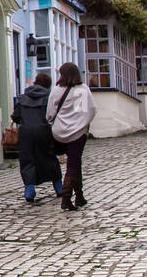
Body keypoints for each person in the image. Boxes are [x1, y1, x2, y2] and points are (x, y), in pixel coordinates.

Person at [46, 62, 96, 212]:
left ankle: (79, 196)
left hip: (59, 132)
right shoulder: (82, 90)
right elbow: (90, 110)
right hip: (78, 133)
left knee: (76, 163)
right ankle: (66, 198)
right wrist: (82, 124)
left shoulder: (56, 90)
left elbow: (50, 112)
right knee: (73, 164)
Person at [12, 72, 63, 204]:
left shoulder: (23, 98)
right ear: (48, 85)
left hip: (26, 133)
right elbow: (54, 114)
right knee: (49, 158)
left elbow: (15, 116)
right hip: (44, 132)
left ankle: (29, 191)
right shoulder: (49, 98)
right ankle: (59, 188)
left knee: (27, 160)